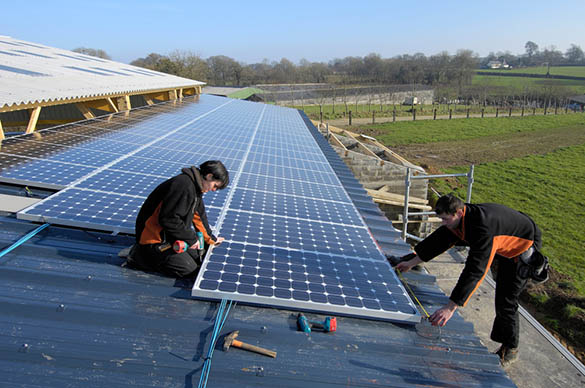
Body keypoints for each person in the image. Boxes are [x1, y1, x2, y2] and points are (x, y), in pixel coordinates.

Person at [395, 194, 548, 367]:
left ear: (459, 212)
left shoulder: (483, 230)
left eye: (445, 219)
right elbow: (438, 241)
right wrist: (411, 262)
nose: (443, 223)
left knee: (506, 299)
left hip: (521, 247)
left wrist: (450, 307)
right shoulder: (460, 219)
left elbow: (475, 270)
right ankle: (508, 343)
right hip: (506, 235)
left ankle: (511, 349)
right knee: (447, 236)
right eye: (441, 219)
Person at [129, 160, 229, 278]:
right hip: (153, 240)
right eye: (215, 186)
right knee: (188, 269)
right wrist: (191, 239)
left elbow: (199, 217)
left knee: (200, 256)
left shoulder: (196, 189)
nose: (214, 190)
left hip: (170, 236)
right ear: (209, 176)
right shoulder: (183, 185)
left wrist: (211, 239)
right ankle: (140, 257)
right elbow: (168, 219)